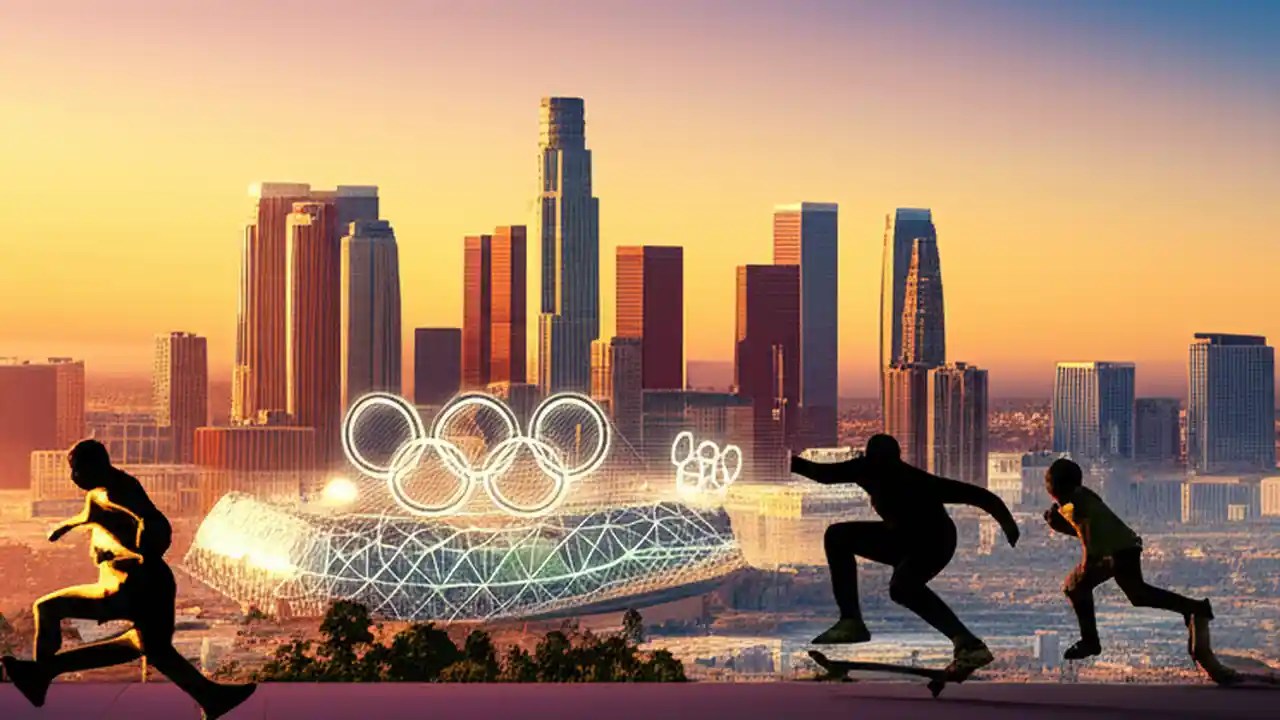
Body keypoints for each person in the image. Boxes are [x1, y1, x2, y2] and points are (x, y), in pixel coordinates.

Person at [1, 439, 255, 719]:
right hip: (123, 582)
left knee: (48, 609)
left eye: (77, 470)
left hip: (139, 586)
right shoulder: (97, 494)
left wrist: (134, 547)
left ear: (97, 466)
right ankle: (212, 697)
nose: (73, 478)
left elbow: (155, 523)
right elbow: (90, 514)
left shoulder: (123, 491)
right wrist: (64, 527)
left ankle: (40, 676)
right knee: (149, 648)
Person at [790, 434, 1020, 675]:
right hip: (909, 539)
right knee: (842, 540)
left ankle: (967, 643)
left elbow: (822, 474)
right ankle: (852, 621)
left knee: (900, 585)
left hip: (932, 542)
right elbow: (980, 496)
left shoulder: (874, 469)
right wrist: (1008, 526)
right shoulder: (896, 473)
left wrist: (783, 460)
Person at [1043, 457, 1213, 660]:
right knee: (1138, 595)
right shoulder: (1078, 499)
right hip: (1124, 546)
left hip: (1115, 551)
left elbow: (1085, 531)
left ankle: (1090, 641)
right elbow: (1086, 528)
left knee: (1075, 586)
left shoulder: (1074, 502)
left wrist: (1088, 561)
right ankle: (1195, 607)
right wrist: (1059, 523)